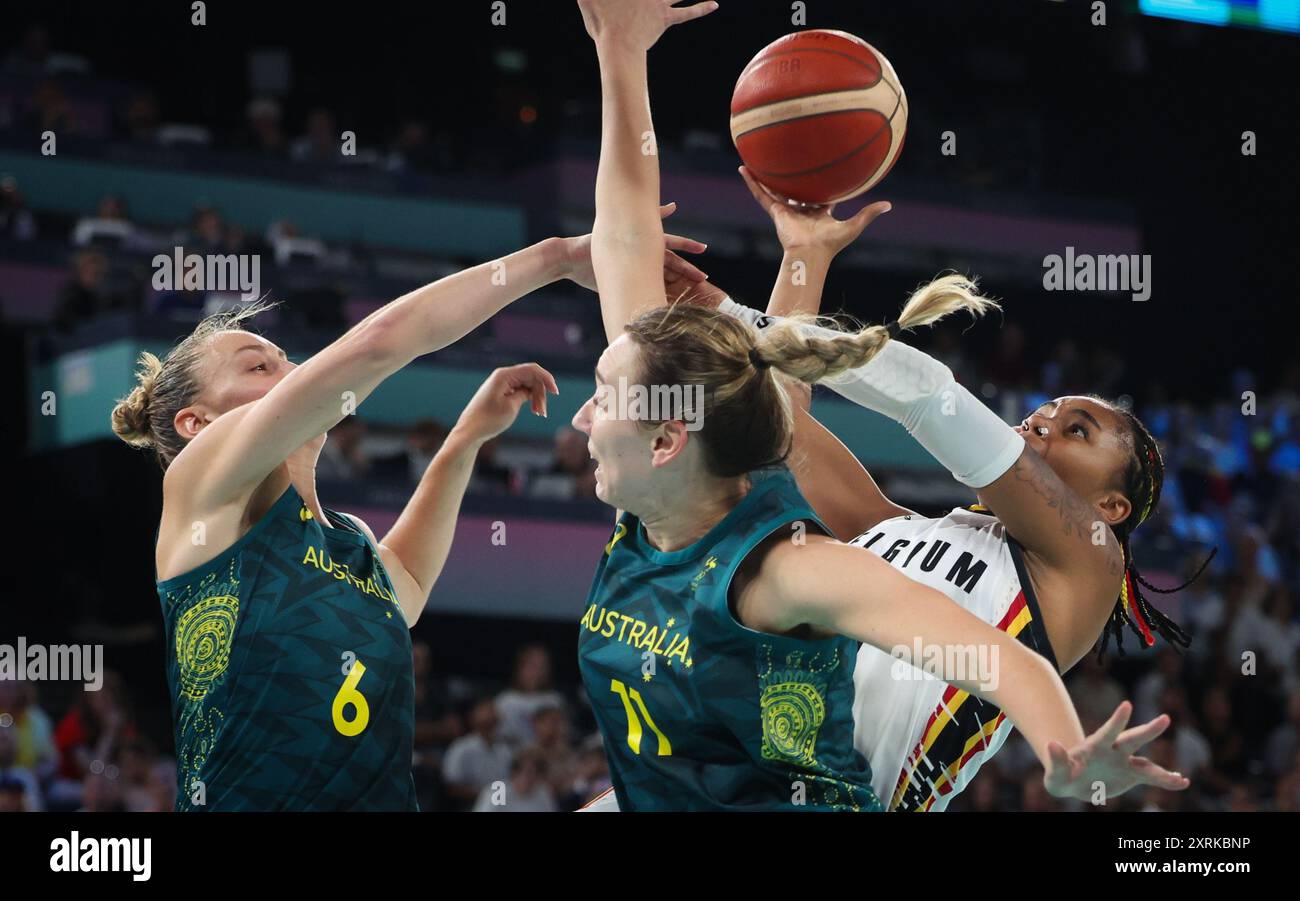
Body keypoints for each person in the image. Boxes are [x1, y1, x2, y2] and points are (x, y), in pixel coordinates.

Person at [570, 0, 1184, 812]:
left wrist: (1061, 753)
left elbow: (930, 398)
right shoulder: (891, 533)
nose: (1044, 420)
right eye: (1051, 407)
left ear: (1112, 503)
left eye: (1080, 429)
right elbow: (777, 430)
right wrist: (801, 259)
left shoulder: (1091, 561)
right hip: (731, 765)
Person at [108, 225, 637, 810]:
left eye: (288, 361)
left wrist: (466, 439)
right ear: (196, 423)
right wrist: (558, 257)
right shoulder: (200, 489)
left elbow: (405, 584)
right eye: (258, 367)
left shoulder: (349, 539)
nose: (292, 375)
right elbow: (381, 342)